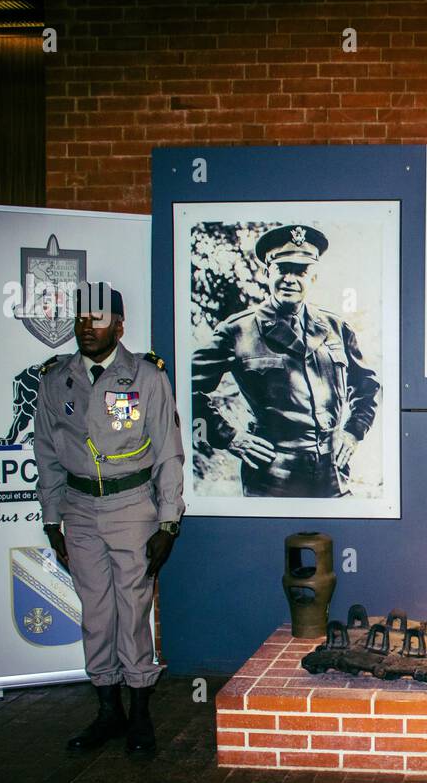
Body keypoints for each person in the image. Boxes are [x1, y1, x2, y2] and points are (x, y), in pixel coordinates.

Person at [33, 283, 185, 755]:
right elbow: (46, 455)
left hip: (131, 508)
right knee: (96, 613)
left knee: (133, 611)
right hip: (79, 512)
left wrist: (168, 523)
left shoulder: (146, 377)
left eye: (98, 319)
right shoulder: (56, 380)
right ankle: (107, 711)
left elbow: (168, 453)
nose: (87, 327)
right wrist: (52, 518)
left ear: (119, 326)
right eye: (81, 318)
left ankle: (140, 714)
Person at [190, 224, 380, 497]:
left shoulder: (336, 327)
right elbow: (180, 387)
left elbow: (367, 385)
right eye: (282, 269)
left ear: (312, 277)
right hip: (272, 478)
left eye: (300, 271)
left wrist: (353, 432)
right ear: (268, 273)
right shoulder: (238, 330)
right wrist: (229, 437)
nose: (290, 279)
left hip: (333, 474)